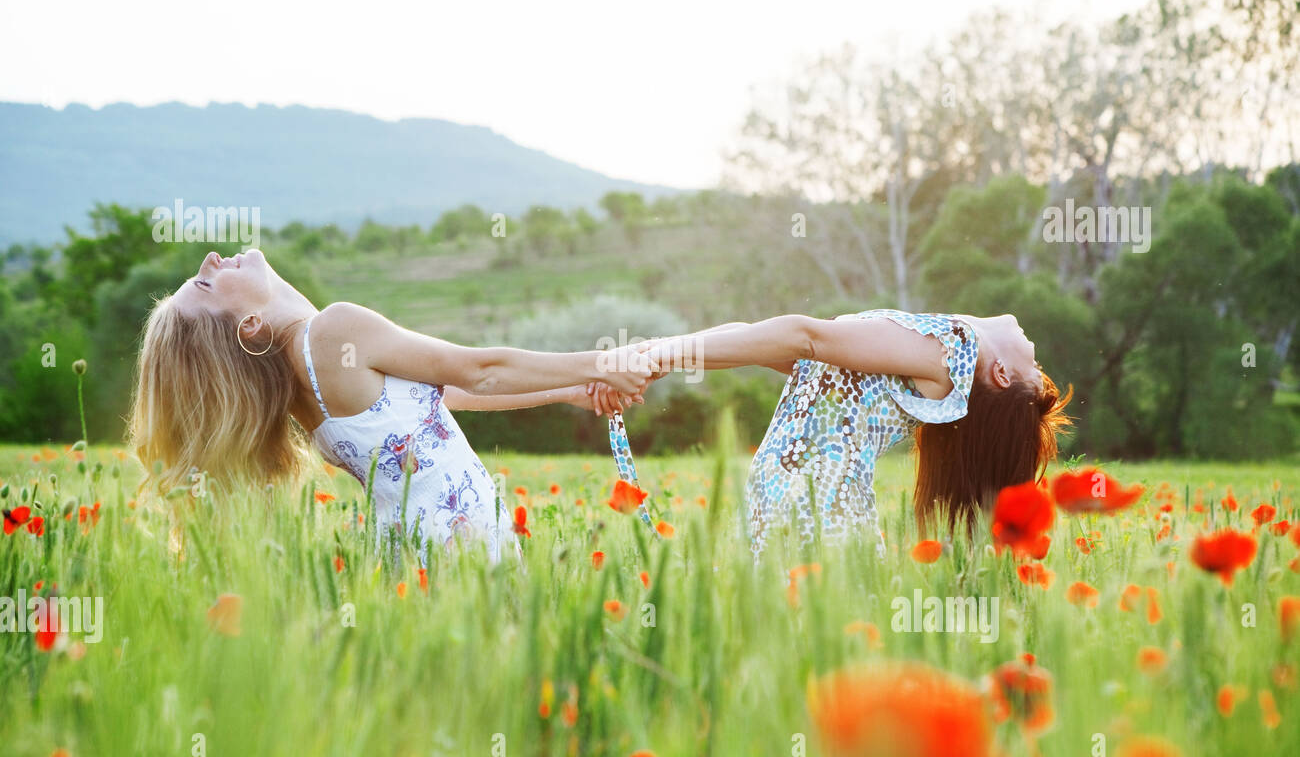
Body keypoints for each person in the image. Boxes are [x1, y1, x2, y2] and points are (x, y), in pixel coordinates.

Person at [128, 248, 654, 564]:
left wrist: (569, 391)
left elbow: (441, 397)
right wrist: (602, 364)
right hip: (461, 546)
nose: (210, 260)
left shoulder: (298, 378)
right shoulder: (333, 331)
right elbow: (479, 370)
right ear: (248, 327)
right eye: (205, 283)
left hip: (417, 552)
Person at [636, 309, 1072, 560]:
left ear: (1000, 374)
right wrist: (644, 358)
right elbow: (764, 340)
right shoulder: (935, 350)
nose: (1038, 360)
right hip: (803, 495)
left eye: (1034, 372)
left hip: (811, 499)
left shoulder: (955, 349)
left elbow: (802, 337)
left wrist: (656, 356)